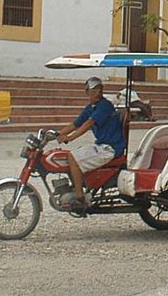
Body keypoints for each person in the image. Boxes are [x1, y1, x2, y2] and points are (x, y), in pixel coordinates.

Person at [55, 76, 128, 209]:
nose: (97, 92)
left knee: (72, 157)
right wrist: (57, 134)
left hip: (110, 148)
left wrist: (70, 138)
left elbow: (89, 123)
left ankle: (80, 197)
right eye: (94, 89)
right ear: (87, 92)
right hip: (102, 145)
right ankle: (77, 188)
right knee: (70, 155)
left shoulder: (104, 106)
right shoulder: (91, 107)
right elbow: (76, 124)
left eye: (99, 89)